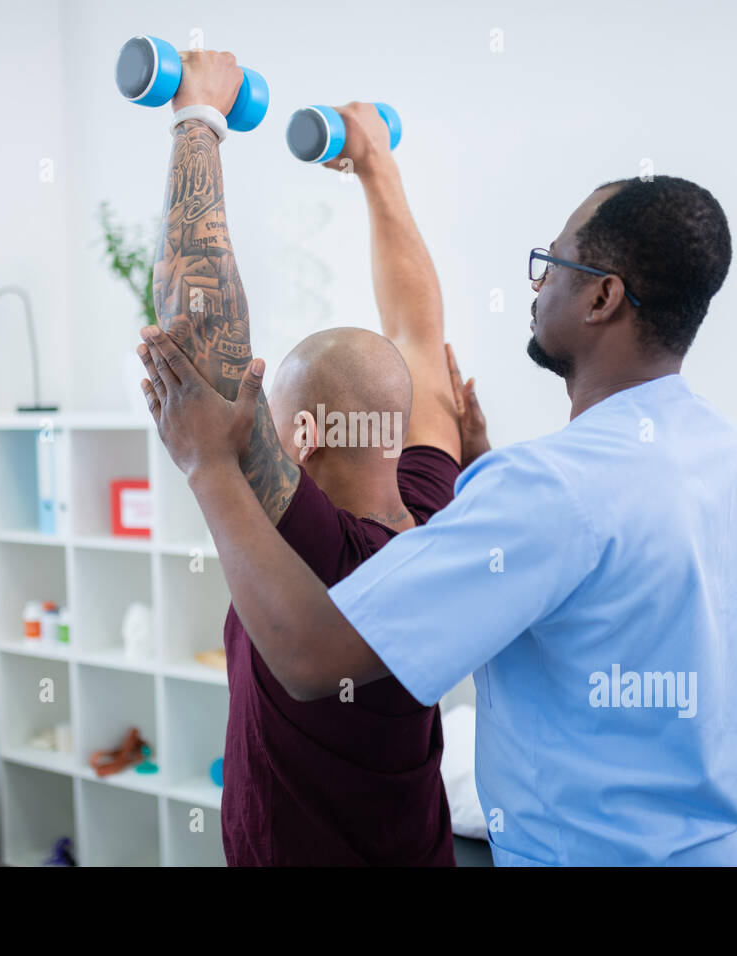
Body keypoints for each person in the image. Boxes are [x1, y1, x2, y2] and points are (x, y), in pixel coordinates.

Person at [139, 169, 737, 866]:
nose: (537, 285)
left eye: (551, 263)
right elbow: (418, 332)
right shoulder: (713, 447)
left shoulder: (540, 492)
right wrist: (376, 165)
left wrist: (208, 465)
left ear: (602, 296)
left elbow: (307, 655)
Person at [139, 49, 486, 866]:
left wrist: (200, 116)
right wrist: (374, 164)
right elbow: (415, 328)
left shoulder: (315, 542)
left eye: (278, 423)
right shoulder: (433, 504)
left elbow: (198, 340)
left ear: (308, 441)